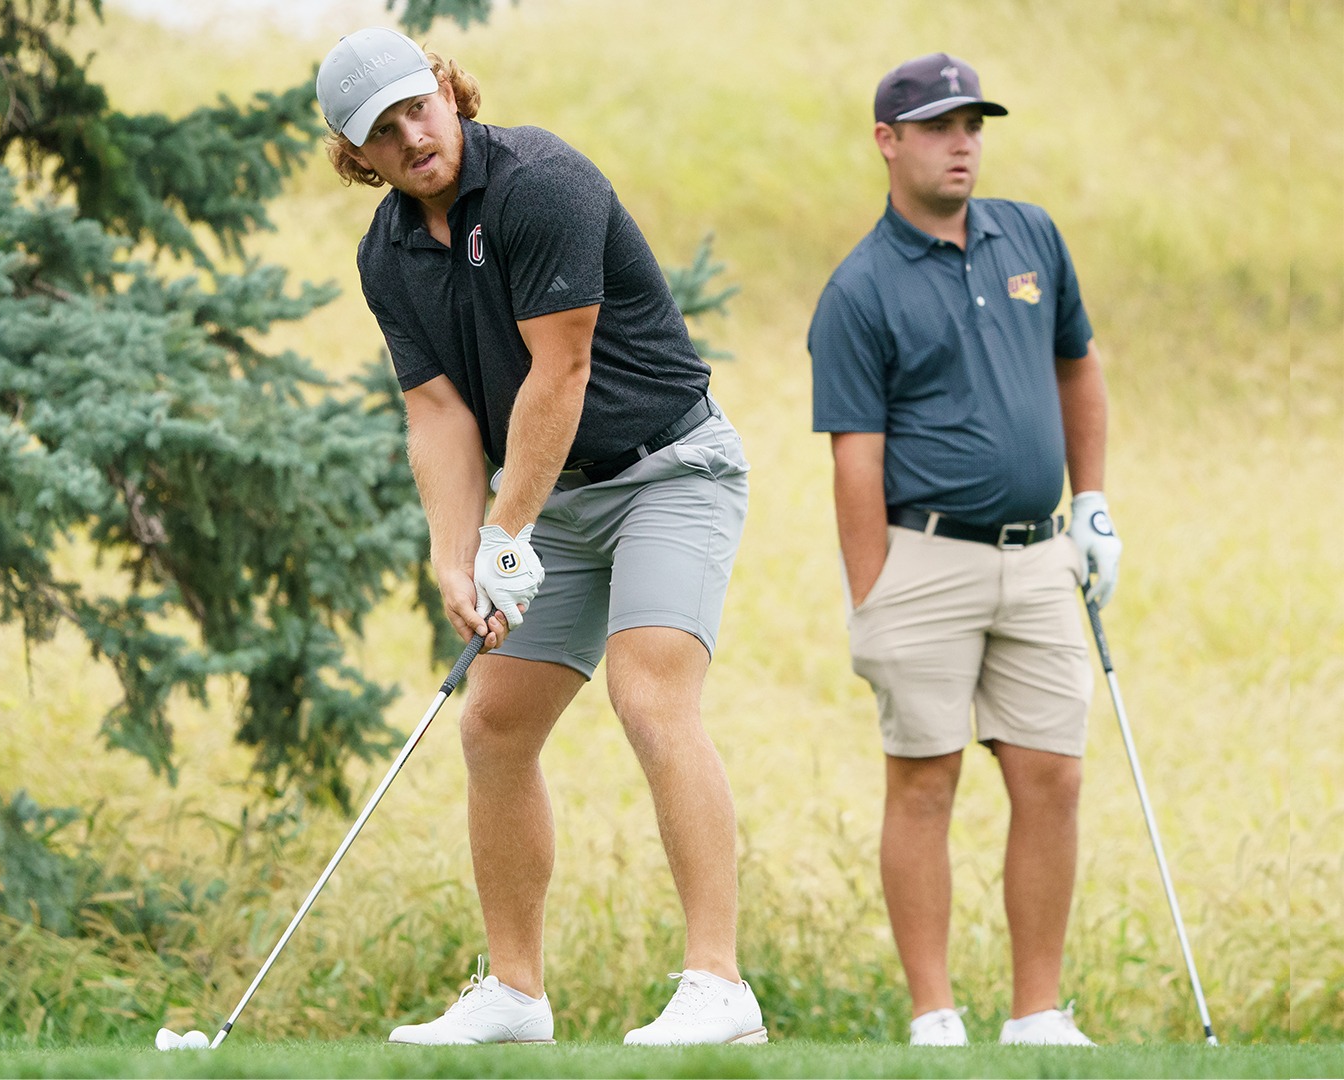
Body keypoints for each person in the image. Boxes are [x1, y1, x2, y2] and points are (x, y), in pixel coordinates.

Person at [317, 27, 764, 1046]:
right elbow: (437, 412)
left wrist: (505, 533)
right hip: (550, 500)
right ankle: (516, 995)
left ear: (447, 89)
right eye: (382, 133)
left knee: (649, 692)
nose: (412, 137)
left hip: (668, 470)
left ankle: (718, 987)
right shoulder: (386, 252)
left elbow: (558, 372)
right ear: (359, 159)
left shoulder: (540, 182)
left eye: (417, 107)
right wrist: (453, 553)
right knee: (494, 726)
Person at [807, 53, 1123, 1046]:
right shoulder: (859, 289)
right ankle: (934, 1015)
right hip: (924, 560)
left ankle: (1036, 1013)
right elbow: (856, 458)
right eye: (941, 126)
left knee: (1052, 776)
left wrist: (1096, 505)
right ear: (887, 141)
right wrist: (875, 594)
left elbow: (1079, 367)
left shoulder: (1030, 235)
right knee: (926, 777)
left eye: (974, 125)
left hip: (1038, 560)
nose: (963, 143)